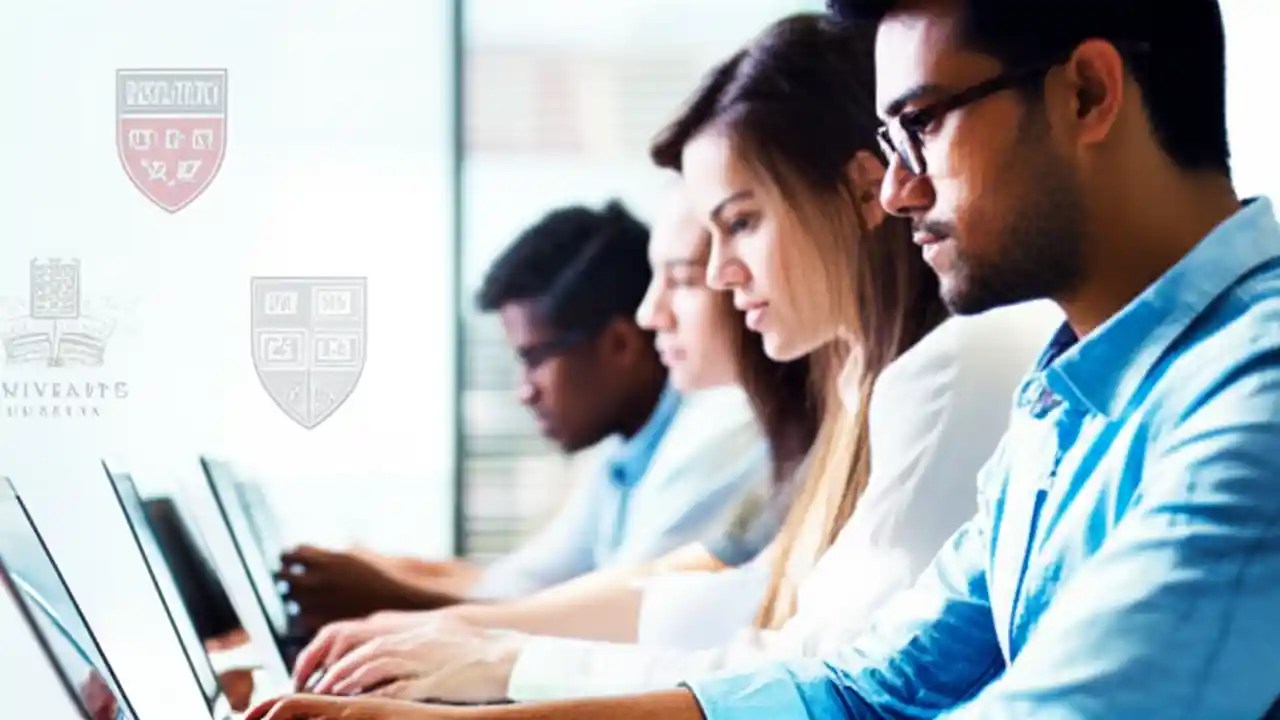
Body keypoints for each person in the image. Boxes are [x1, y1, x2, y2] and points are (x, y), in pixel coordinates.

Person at [244, 13, 1059, 718]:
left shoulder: (948, 371)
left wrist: (497, 657)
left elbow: (817, 678)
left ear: (858, 192)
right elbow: (742, 599)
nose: (716, 275)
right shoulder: (868, 391)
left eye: (740, 224)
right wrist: (472, 636)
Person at [281, 200, 780, 631]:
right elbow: (525, 584)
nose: (524, 391)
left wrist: (385, 598)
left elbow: (622, 618)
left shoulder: (720, 426)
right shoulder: (624, 458)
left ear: (619, 344)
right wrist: (390, 575)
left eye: (534, 358)